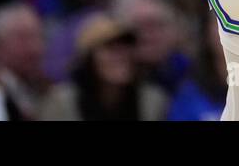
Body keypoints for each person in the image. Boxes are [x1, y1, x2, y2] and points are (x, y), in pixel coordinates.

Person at [38, 15, 167, 121]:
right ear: (88, 60)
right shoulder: (62, 104)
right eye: (111, 48)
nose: (122, 55)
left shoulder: (151, 102)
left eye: (127, 46)